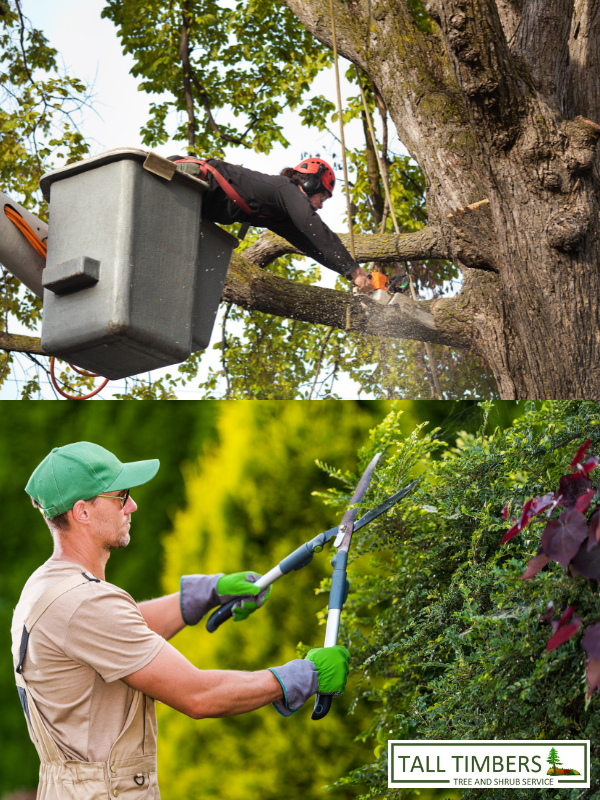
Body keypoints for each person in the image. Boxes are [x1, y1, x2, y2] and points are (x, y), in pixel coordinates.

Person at [12, 442, 350, 800]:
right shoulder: (85, 603)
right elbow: (199, 695)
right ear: (82, 511)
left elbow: (122, 632)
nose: (132, 505)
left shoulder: (48, 587)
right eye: (121, 496)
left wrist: (207, 593)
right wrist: (303, 676)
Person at [169, 155, 373, 293]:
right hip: (185, 176)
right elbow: (314, 227)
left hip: (192, 199)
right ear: (311, 183)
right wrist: (355, 270)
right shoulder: (287, 188)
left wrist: (350, 274)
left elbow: (313, 246)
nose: (321, 205)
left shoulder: (281, 214)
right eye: (323, 197)